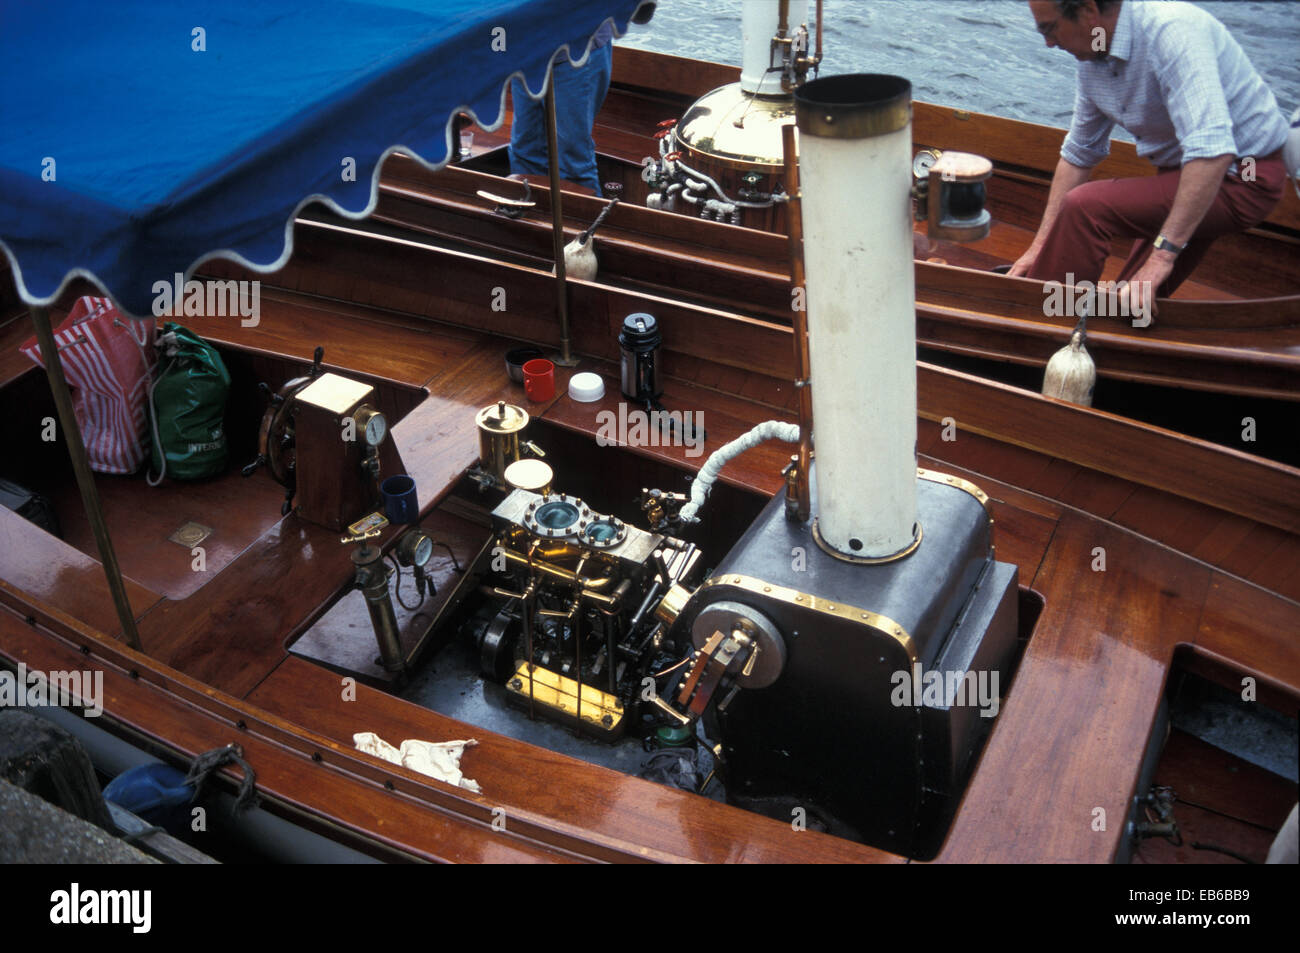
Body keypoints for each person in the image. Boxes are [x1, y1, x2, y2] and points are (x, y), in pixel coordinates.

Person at [1007, 0, 1290, 323]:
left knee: (1086, 206)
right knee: (1130, 302)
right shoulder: (1095, 54)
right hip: (1188, 171)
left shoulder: (1172, 32)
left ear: (1088, 11)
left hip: (1244, 174)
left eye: (1050, 28)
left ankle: (1038, 322)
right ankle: (1095, 335)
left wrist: (1162, 257)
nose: (1048, 43)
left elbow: (1213, 150)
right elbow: (1079, 154)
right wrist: (1039, 248)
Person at [507, 23, 616, 196]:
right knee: (525, 151)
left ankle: (584, 222)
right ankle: (532, 219)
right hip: (525, 50)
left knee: (572, 162)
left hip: (574, 52)